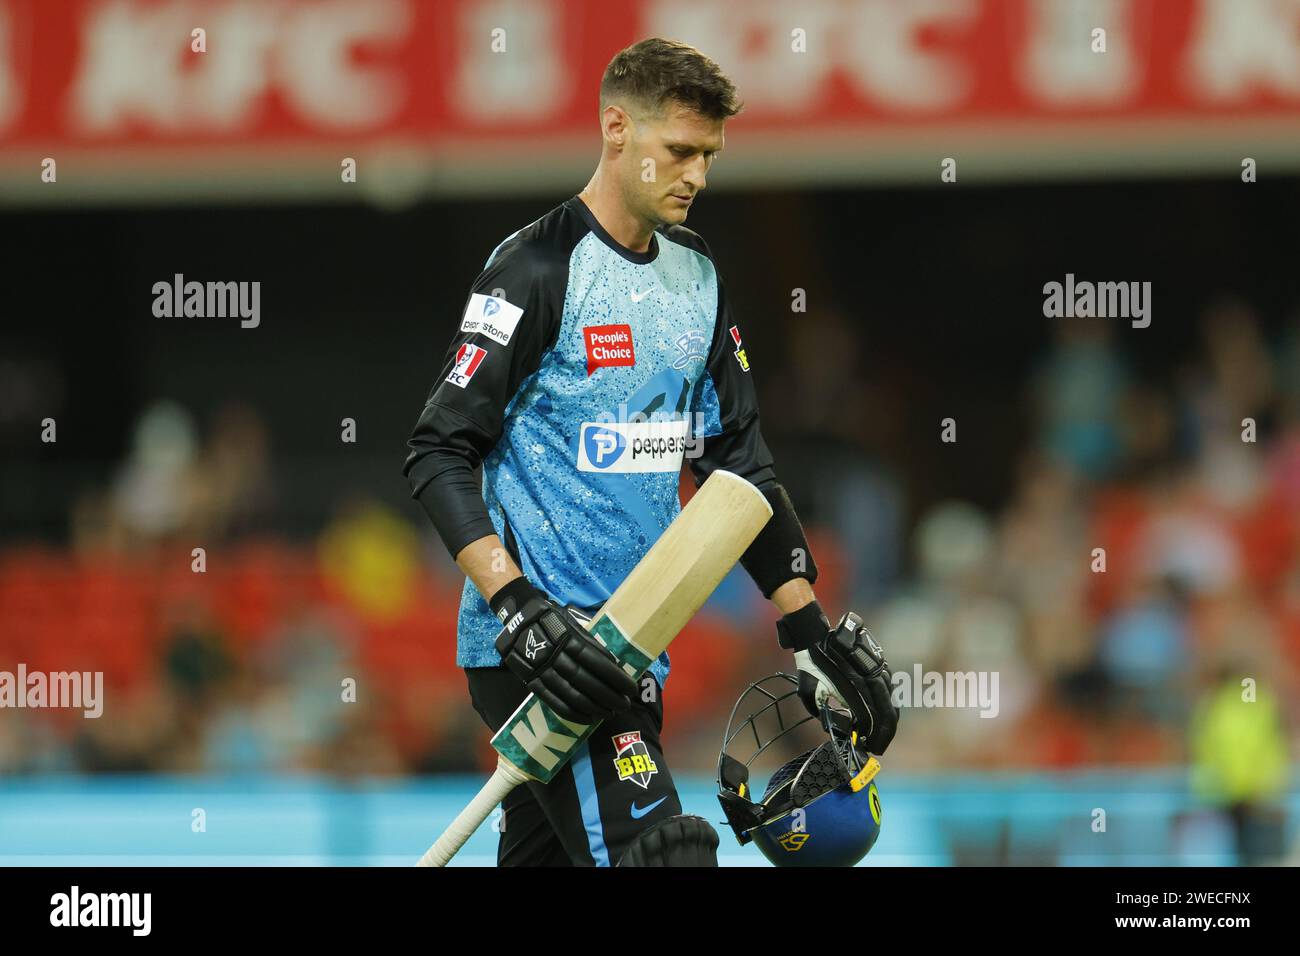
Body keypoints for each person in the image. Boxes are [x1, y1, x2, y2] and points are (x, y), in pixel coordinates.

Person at [403, 37, 898, 866]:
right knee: (665, 857)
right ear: (616, 129)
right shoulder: (534, 269)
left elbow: (739, 465)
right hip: (547, 655)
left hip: (639, 649)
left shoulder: (698, 275)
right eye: (679, 151)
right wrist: (516, 607)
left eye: (708, 155)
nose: (696, 175)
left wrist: (808, 623)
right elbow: (437, 451)